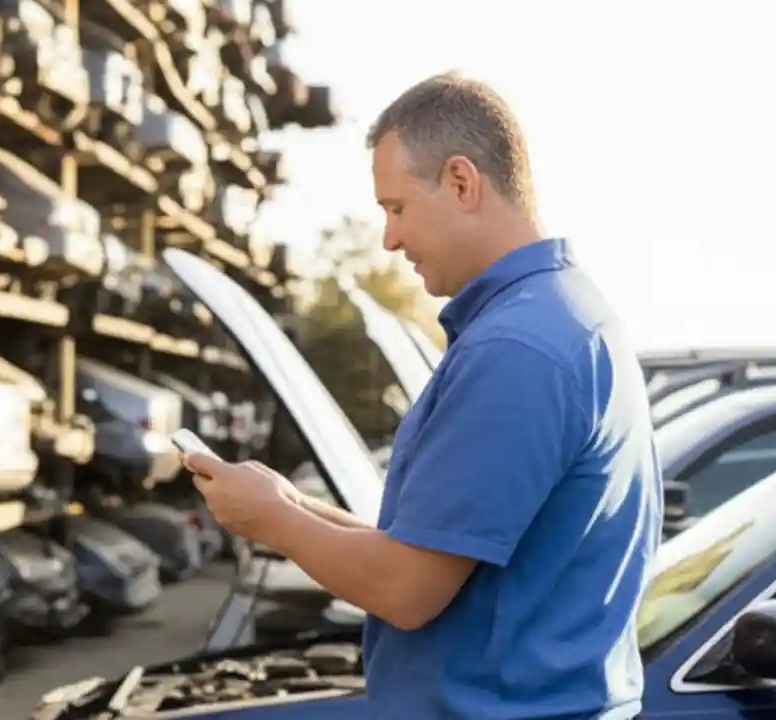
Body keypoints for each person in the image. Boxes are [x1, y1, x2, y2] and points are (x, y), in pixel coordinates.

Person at [183, 71, 663, 719]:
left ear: (462, 182)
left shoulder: (517, 348)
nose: (390, 239)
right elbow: (432, 549)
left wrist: (271, 520)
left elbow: (408, 589)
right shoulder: (561, 315)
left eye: (396, 208)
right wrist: (296, 504)